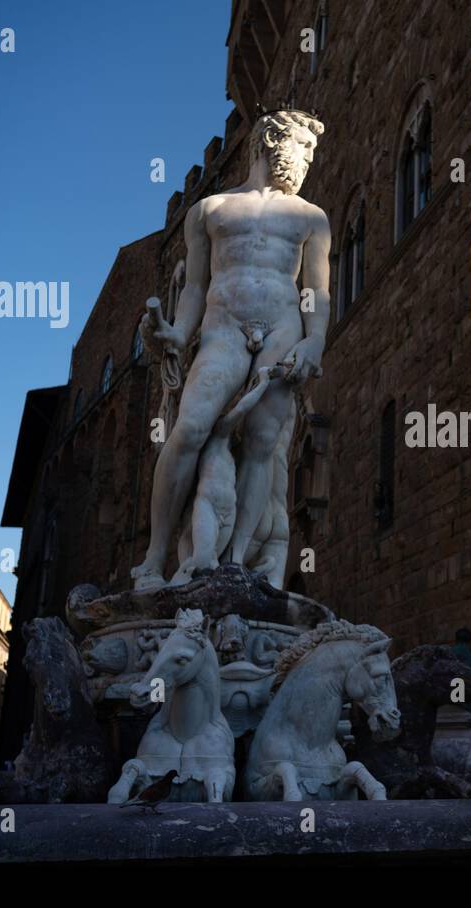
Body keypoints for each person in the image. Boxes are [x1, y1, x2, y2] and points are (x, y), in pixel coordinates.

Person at [131, 109, 330, 590]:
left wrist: (314, 340)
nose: (306, 160)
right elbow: (196, 287)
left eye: (311, 152)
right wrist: (179, 332)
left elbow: (316, 292)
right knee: (191, 428)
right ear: (266, 143)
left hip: (282, 325)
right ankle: (155, 559)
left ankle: (237, 561)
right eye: (301, 147)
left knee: (262, 441)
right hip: (223, 327)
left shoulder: (310, 218)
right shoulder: (210, 211)